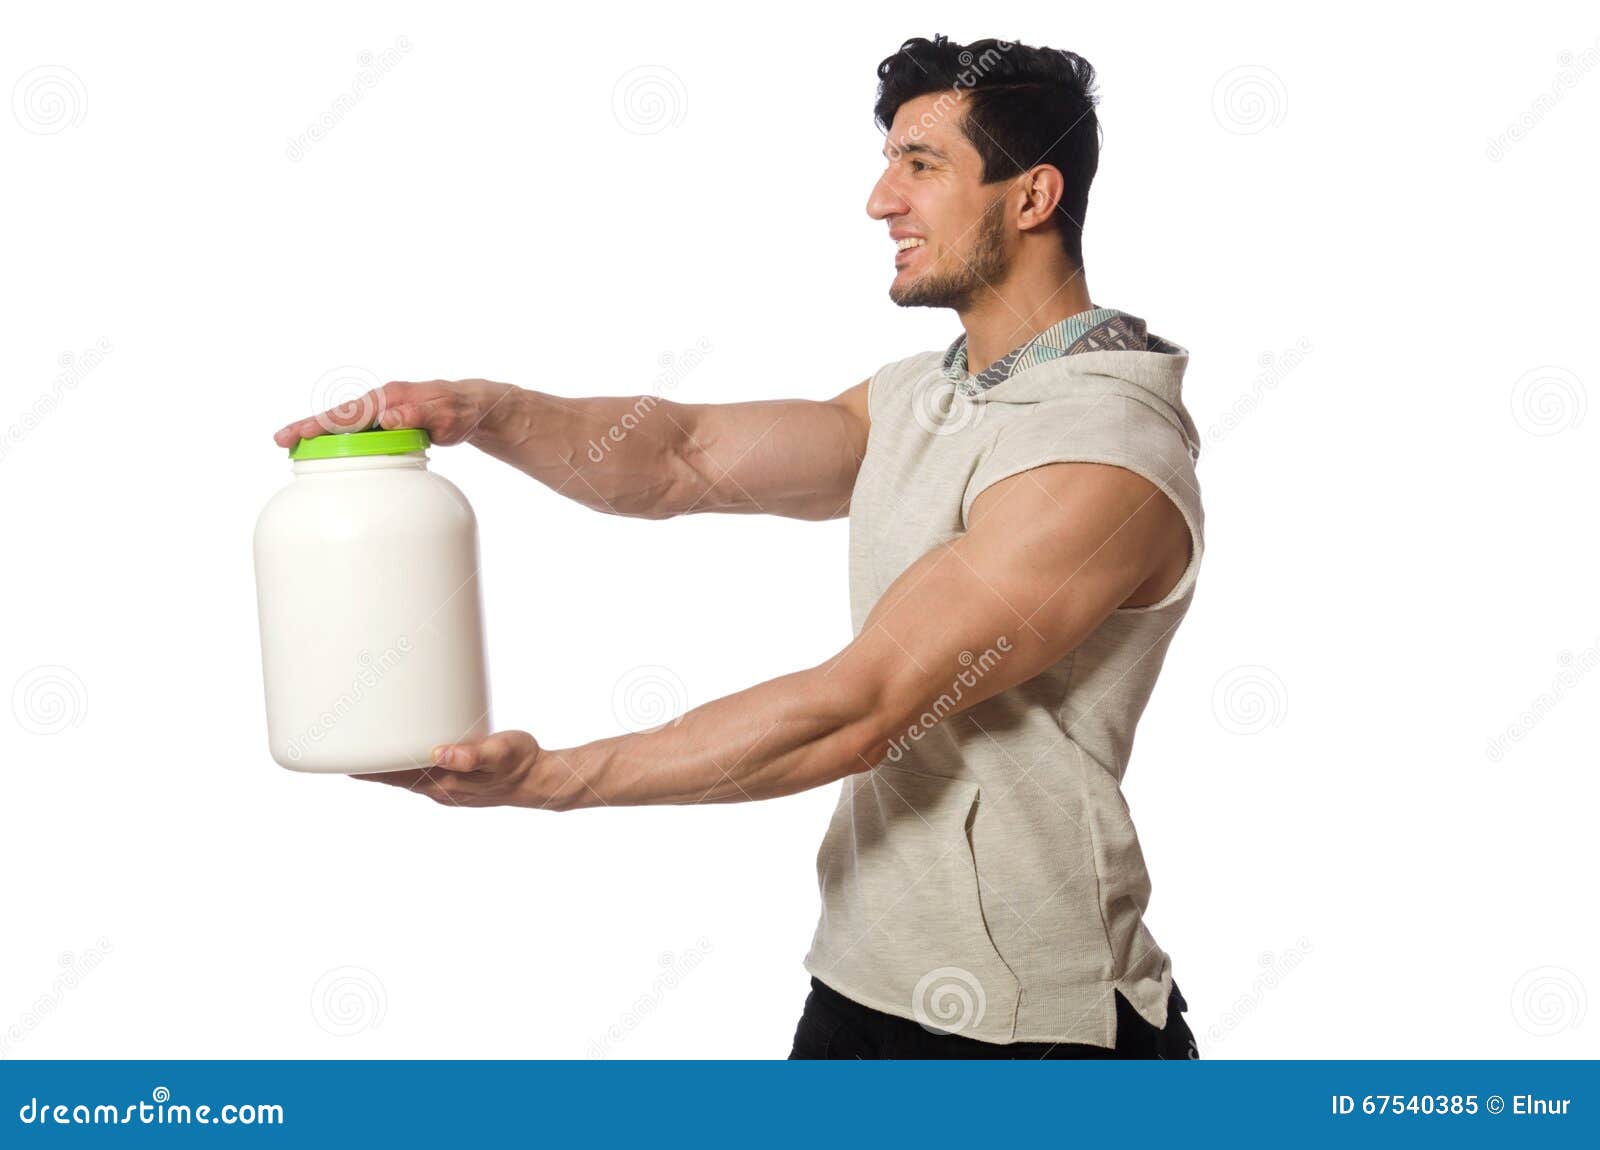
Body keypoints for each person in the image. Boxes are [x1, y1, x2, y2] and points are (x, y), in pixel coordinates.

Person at [272, 35, 1205, 1060]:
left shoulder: (1099, 453)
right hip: (868, 972)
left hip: (1031, 1024)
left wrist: (550, 778)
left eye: (921, 165)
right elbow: (679, 456)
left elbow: (861, 708)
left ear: (1031, 198)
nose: (879, 200)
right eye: (889, 159)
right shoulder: (927, 397)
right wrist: (474, 411)